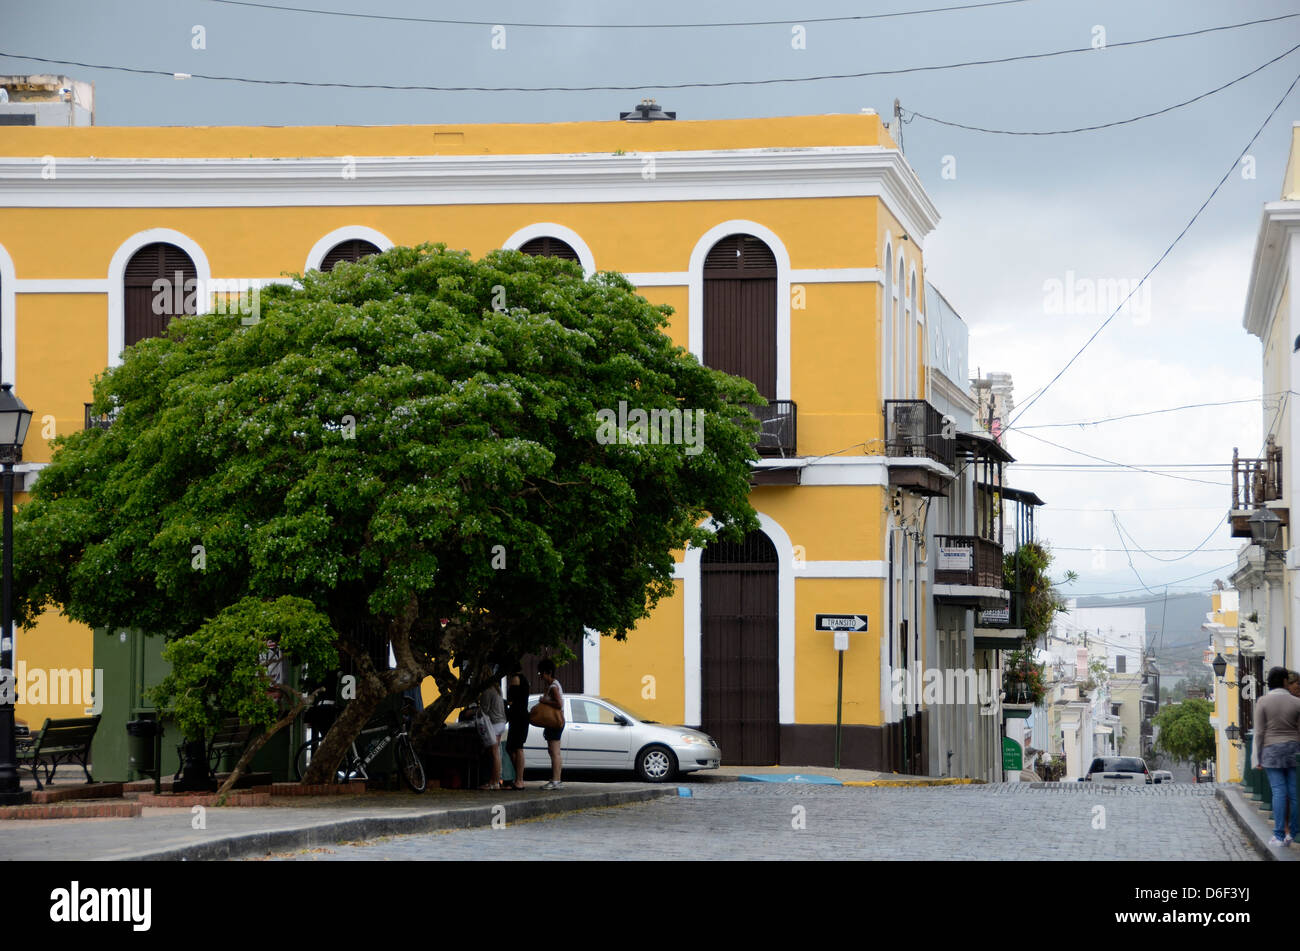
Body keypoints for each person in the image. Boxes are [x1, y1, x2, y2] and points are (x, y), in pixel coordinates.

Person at [1252, 666, 1300, 847]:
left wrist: (1258, 757)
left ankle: (1279, 835)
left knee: (1279, 792)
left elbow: (1259, 732)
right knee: (1294, 793)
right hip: (1293, 749)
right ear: (1284, 681)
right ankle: (1293, 833)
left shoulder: (1263, 702)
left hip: (1271, 750)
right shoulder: (1296, 702)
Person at [478, 668, 508, 790]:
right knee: (497, 753)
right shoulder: (497, 689)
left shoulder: (487, 691)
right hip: (501, 722)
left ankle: (493, 782)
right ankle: (495, 781)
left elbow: (484, 710)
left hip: (494, 724)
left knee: (494, 753)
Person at [537, 659, 564, 790]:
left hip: (554, 722)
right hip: (554, 723)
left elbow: (559, 704)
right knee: (554, 751)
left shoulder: (553, 687)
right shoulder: (553, 685)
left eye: (541, 673)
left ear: (548, 672)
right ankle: (556, 779)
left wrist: (544, 701)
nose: (540, 676)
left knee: (554, 752)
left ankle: (555, 780)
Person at [504, 663, 531, 790]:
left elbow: (511, 700)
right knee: (512, 747)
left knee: (517, 747)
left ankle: (520, 780)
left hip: (518, 716)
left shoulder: (515, 679)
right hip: (521, 716)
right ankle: (519, 778)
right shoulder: (524, 679)